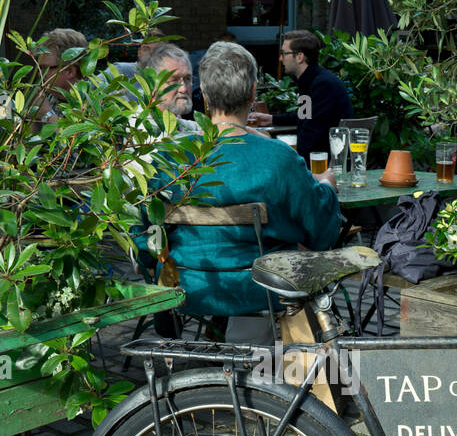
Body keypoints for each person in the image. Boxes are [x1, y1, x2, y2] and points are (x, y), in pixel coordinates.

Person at [140, 41, 340, 324]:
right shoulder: (278, 158)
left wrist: (151, 267)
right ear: (253, 92)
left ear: (205, 96)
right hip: (265, 292)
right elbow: (320, 232)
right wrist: (328, 186)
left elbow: (146, 233)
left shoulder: (168, 158)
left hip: (186, 288)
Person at [247, 30, 352, 162]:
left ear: (299, 56)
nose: (280, 58)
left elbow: (311, 135)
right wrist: (272, 119)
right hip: (316, 157)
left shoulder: (322, 84)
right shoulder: (310, 80)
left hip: (323, 163)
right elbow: (305, 116)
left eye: (284, 54)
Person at [139, 43, 200, 134]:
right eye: (174, 80)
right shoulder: (136, 134)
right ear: (151, 84)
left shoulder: (195, 129)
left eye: (187, 79)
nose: (183, 89)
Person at [34, 28, 88, 122]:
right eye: (40, 68)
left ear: (69, 71)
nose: (40, 74)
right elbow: (33, 136)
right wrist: (33, 116)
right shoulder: (51, 97)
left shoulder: (96, 102)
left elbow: (76, 136)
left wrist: (47, 115)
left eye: (46, 68)